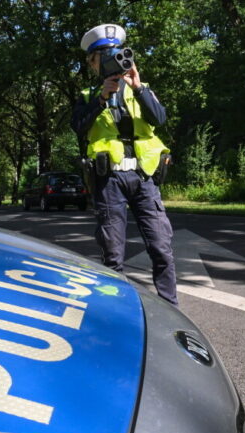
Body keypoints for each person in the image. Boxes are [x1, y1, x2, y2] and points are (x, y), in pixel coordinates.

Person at [71, 24, 177, 306]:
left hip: (144, 177)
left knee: (161, 247)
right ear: (93, 63)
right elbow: (78, 127)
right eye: (104, 57)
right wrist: (101, 99)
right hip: (109, 180)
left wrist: (138, 87)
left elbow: (159, 119)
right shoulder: (88, 96)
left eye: (116, 54)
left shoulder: (142, 90)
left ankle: (170, 306)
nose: (112, 61)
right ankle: (115, 309)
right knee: (112, 254)